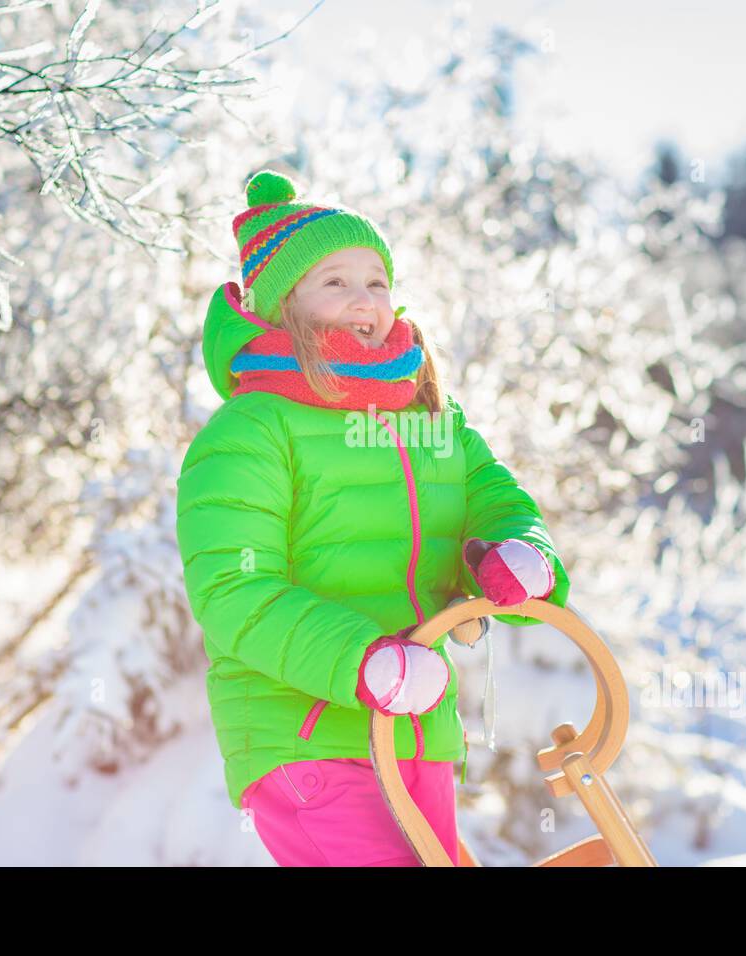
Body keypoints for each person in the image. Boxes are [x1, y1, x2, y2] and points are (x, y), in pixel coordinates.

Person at [175, 168, 570, 866]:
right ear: (281, 306)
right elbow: (234, 594)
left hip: (417, 732)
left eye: (377, 280)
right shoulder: (251, 431)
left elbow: (496, 498)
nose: (365, 298)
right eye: (335, 281)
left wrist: (517, 552)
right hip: (304, 733)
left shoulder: (428, 422)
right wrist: (362, 660)